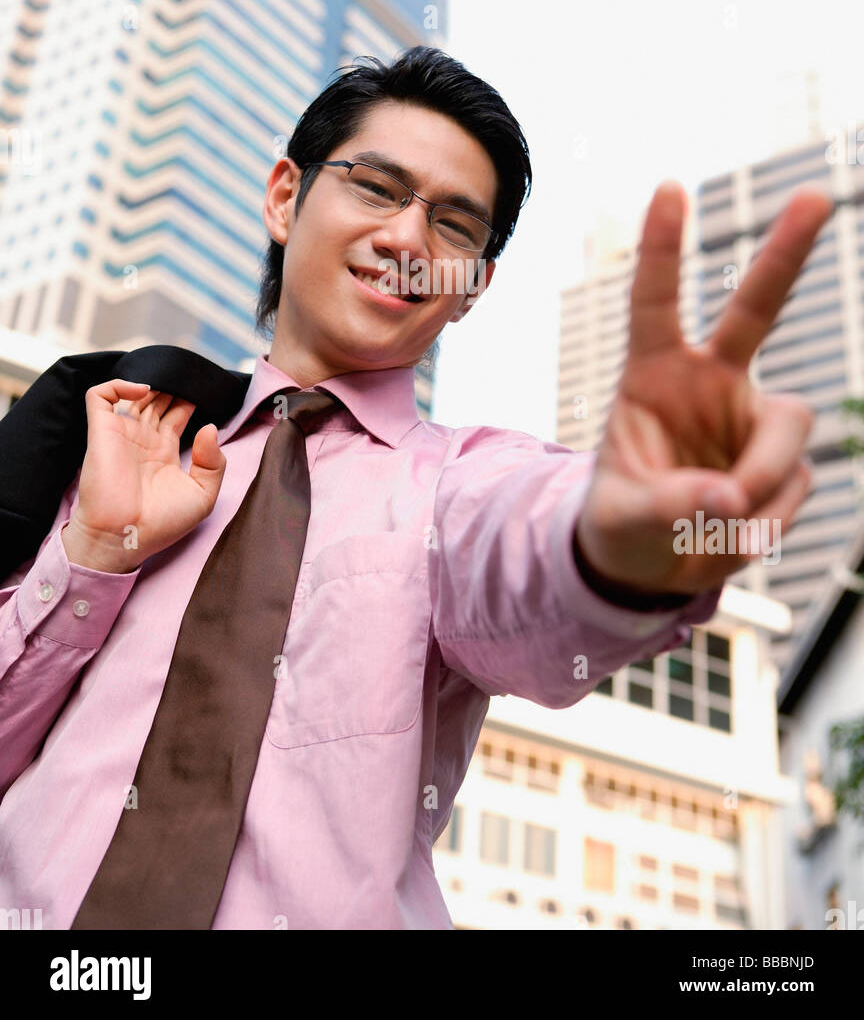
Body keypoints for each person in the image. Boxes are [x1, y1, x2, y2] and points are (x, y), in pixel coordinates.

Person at [0, 46, 832, 929]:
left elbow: (525, 543)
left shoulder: (459, 485)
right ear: (286, 196)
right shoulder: (123, 445)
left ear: (472, 285)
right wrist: (93, 555)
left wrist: (619, 539)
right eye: (376, 186)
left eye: (456, 226)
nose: (407, 239)